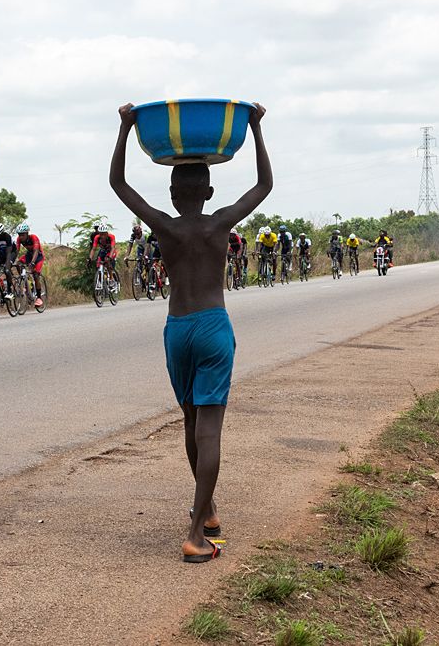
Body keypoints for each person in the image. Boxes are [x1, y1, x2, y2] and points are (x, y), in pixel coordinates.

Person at [110, 100, 271, 563]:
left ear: (173, 191)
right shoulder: (222, 223)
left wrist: (124, 129)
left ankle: (210, 510)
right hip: (213, 328)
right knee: (211, 430)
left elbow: (118, 183)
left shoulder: (163, 226)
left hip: (177, 329)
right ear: (209, 189)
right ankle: (197, 534)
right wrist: (257, 128)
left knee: (189, 421)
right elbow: (264, 184)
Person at [15, 222, 44, 307]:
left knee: (35, 274)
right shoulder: (19, 239)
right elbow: (16, 251)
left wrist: (33, 262)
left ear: (27, 233)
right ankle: (27, 282)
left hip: (38, 256)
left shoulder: (34, 237)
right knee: (18, 264)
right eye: (19, 235)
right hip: (29, 255)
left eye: (23, 235)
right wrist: (11, 261)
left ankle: (39, 298)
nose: (21, 237)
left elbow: (35, 251)